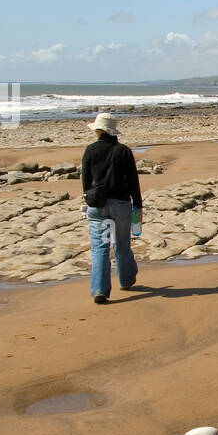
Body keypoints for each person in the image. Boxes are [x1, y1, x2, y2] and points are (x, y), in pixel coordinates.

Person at [81, 112, 142, 304]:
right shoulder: (124, 151)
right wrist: (138, 205)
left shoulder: (90, 150)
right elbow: (133, 181)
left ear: (98, 130)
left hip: (98, 206)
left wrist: (88, 198)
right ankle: (125, 280)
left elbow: (86, 181)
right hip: (122, 204)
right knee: (121, 244)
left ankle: (99, 289)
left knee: (100, 247)